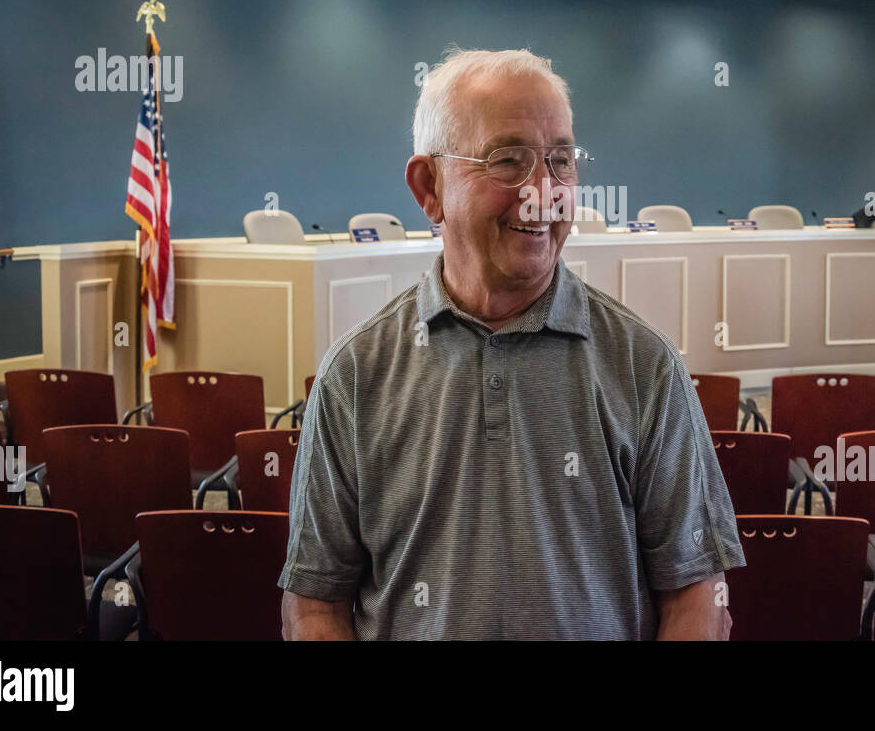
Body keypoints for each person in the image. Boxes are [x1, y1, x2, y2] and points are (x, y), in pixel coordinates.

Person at [279, 47, 744, 639]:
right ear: (430, 188)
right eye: (508, 161)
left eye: (561, 161)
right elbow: (316, 604)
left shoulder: (645, 366)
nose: (543, 191)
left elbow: (698, 595)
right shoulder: (354, 375)